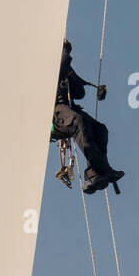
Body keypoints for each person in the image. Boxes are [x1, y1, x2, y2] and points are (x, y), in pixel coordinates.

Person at [53, 38, 124, 194]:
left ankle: (93, 174)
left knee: (100, 130)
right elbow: (58, 69)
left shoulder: (63, 67)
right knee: (77, 121)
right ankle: (104, 169)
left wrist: (71, 73)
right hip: (54, 114)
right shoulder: (49, 65)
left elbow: (79, 93)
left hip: (66, 109)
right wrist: (65, 53)